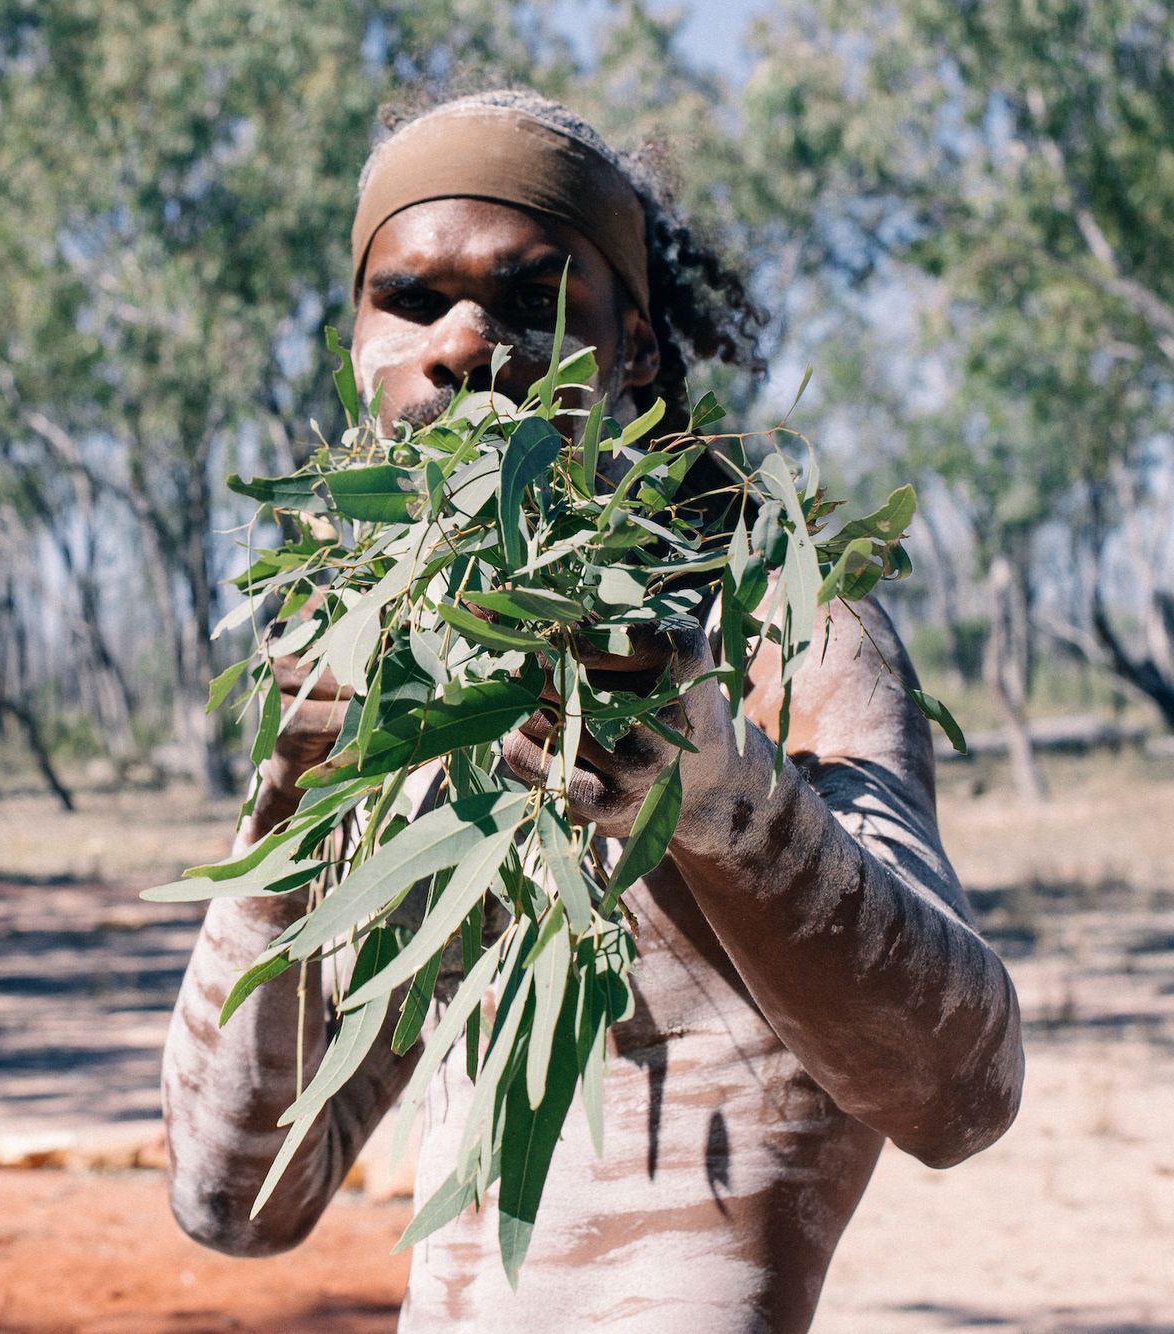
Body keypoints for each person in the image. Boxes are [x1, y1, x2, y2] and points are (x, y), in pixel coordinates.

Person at [159, 87, 1024, 1332]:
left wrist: (714, 789)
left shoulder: (774, 633)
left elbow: (963, 1091)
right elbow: (233, 1198)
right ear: (356, 345)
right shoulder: (409, 687)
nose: (458, 346)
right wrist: (291, 801)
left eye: (529, 301)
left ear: (632, 351)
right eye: (408, 300)